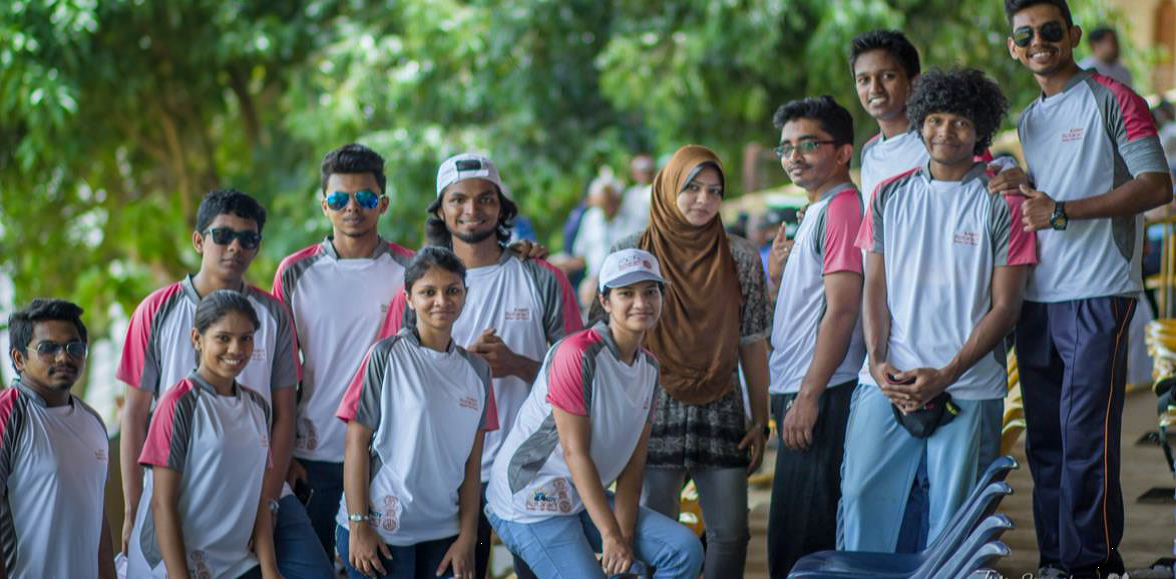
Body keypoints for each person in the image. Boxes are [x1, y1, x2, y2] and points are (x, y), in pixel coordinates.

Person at [1005, 0, 1174, 575]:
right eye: (1025, 35)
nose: (1038, 42)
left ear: (1072, 34)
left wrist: (1062, 212)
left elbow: (1156, 184)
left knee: (1087, 440)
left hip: (1099, 291)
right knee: (1046, 445)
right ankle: (1056, 562)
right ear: (1013, 47)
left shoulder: (1113, 97)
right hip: (1036, 297)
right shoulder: (1030, 118)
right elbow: (1049, 196)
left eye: (1050, 30)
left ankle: (1093, 566)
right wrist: (1021, 184)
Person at [840, 68, 1037, 551]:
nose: (944, 131)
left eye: (960, 122)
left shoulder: (1002, 201)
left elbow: (1006, 307)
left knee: (954, 521)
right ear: (919, 121)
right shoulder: (889, 195)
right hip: (885, 382)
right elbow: (876, 288)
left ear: (980, 131)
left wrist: (946, 374)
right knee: (862, 498)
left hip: (967, 385)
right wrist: (876, 359)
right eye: (934, 119)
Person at [376, 152, 581, 579]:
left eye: (485, 199)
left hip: (531, 465)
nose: (472, 210)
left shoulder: (541, 276)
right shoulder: (419, 289)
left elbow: (579, 376)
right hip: (444, 473)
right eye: (458, 200)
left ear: (502, 207)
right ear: (441, 210)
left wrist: (520, 365)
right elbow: (394, 385)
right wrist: (457, 364)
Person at [118, 190, 331, 577]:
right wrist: (132, 507)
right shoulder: (156, 311)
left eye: (247, 239)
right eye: (223, 235)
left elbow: (284, 415)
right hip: (181, 485)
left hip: (258, 482)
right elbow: (134, 416)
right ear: (199, 240)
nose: (235, 247)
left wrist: (267, 500)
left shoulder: (273, 314)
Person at [589, 145, 772, 579]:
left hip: (722, 402)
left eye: (714, 191)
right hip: (650, 408)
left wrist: (761, 418)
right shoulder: (633, 251)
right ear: (669, 188)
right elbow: (605, 343)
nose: (703, 201)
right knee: (655, 533)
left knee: (731, 533)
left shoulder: (740, 256)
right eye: (692, 188)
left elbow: (751, 340)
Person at [486, 248, 704, 579]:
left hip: (581, 494)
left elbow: (634, 460)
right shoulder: (578, 355)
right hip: (530, 499)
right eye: (626, 294)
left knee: (684, 550)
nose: (641, 302)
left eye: (650, 291)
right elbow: (574, 452)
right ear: (605, 301)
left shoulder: (649, 368)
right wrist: (611, 535)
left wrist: (626, 534)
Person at [273, 144, 416, 560]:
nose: (352, 208)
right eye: (339, 199)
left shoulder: (411, 271)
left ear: (383, 204)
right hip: (311, 455)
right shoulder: (294, 272)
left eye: (365, 198)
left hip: (387, 457)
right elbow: (278, 373)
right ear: (324, 206)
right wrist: (281, 456)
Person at [336, 247, 497, 579]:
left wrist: (468, 537)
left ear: (465, 295)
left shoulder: (477, 372)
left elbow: (471, 464)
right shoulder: (386, 355)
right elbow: (356, 443)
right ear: (409, 299)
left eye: (453, 290)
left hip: (444, 534)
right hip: (382, 531)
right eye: (428, 292)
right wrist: (358, 525)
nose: (442, 300)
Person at [764, 96, 865, 577]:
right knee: (791, 534)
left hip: (822, 391)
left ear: (843, 152)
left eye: (808, 144)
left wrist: (809, 395)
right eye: (785, 148)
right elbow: (810, 305)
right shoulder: (816, 211)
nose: (794, 157)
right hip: (800, 389)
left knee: (803, 544)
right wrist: (779, 278)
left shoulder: (843, 207)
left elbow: (843, 310)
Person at [127, 290, 280, 578]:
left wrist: (270, 569)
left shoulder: (258, 406)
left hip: (236, 563)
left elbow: (257, 496)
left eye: (246, 338)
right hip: (173, 566)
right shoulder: (178, 404)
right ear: (197, 339)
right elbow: (162, 504)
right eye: (223, 338)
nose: (236, 349)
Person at [1, 300, 114, 579]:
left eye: (74, 347)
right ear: (19, 359)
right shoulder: (7, 415)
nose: (63, 357)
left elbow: (98, 518)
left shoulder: (93, 422)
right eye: (47, 348)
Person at [572, 173, 646, 306]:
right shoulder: (590, 217)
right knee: (586, 289)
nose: (605, 209)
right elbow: (580, 256)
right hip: (595, 278)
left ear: (618, 200)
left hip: (627, 277)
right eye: (601, 204)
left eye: (609, 203)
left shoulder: (635, 219)